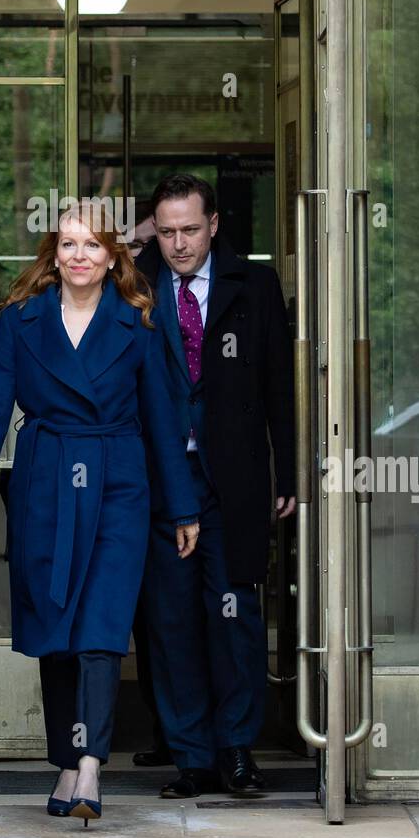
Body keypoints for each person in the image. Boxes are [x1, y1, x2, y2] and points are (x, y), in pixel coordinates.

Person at [0, 203, 201, 825]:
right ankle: (66, 760)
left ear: (113, 256)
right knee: (56, 633)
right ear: (53, 255)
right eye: (68, 244)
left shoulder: (138, 323)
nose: (80, 255)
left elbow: (163, 422)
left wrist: (182, 507)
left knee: (100, 629)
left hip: (118, 484)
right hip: (45, 483)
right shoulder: (20, 320)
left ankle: (89, 764)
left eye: (92, 245)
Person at [135, 174, 296, 799]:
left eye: (190, 230)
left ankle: (236, 750)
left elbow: (280, 385)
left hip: (234, 478)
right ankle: (192, 758)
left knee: (234, 615)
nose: (178, 244)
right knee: (171, 621)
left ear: (215, 224)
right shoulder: (133, 285)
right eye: (166, 232)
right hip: (159, 480)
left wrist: (288, 471)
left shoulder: (254, 284)